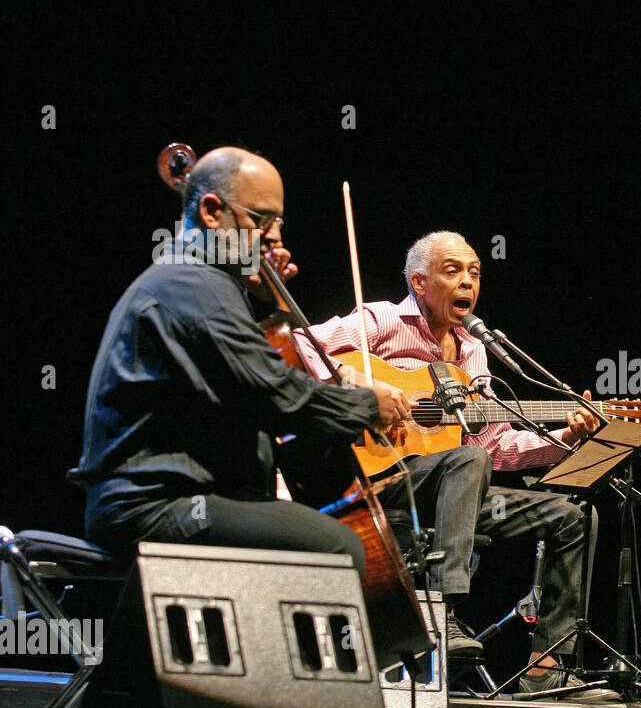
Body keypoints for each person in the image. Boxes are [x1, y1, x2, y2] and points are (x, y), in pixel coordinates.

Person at [294, 230, 616, 701]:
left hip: (453, 491)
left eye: (475, 272)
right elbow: (301, 344)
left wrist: (565, 436)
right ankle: (442, 607)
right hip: (381, 480)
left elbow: (496, 447)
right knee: (468, 459)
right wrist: (358, 382)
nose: (468, 281)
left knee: (575, 516)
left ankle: (545, 667)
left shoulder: (473, 350)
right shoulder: (383, 319)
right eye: (453, 271)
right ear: (420, 283)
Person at [69, 146, 409, 567]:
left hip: (173, 500)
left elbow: (249, 372)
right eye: (262, 219)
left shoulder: (199, 281)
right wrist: (365, 405)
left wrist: (268, 304)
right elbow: (274, 394)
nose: (273, 237)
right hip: (154, 506)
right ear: (212, 211)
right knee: (338, 549)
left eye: (278, 222)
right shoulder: (195, 284)